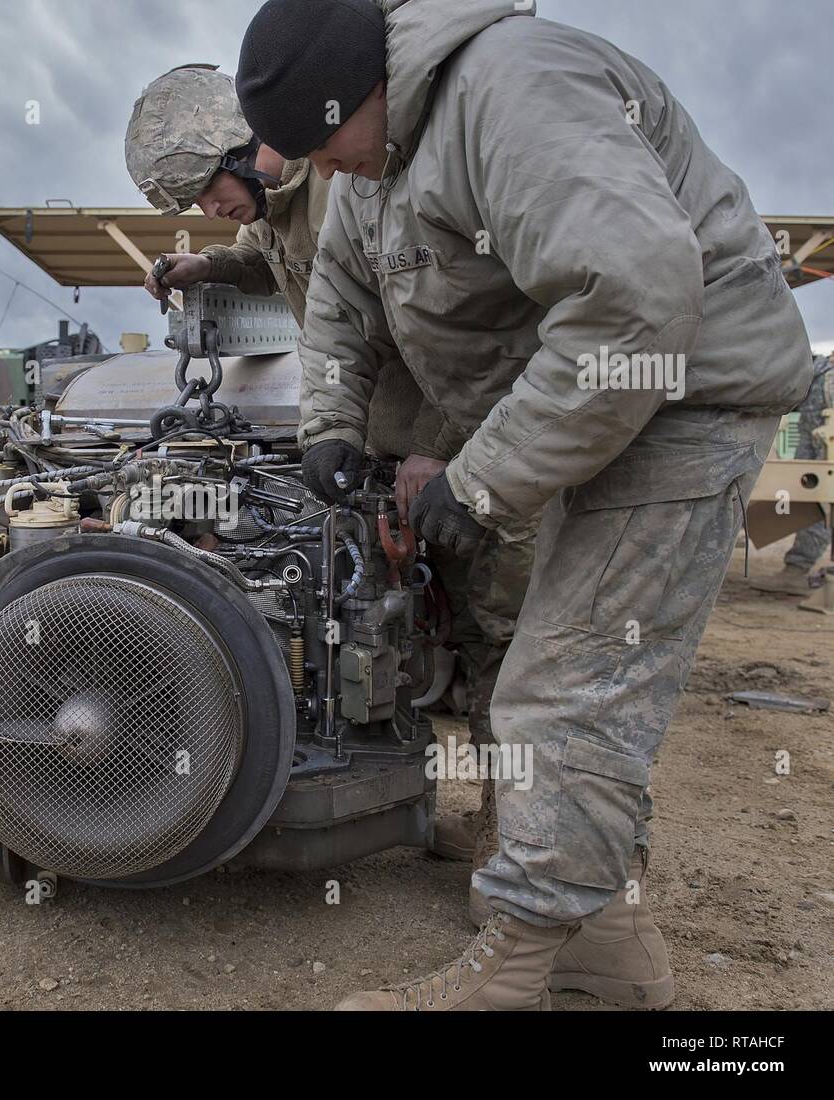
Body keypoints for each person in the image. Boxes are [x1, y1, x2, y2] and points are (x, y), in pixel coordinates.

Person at [236, 0, 812, 1009]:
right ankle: (606, 940)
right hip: (593, 414)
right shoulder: (375, 169)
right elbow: (340, 305)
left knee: (565, 684)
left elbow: (633, 301)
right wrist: (329, 423)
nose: (324, 169)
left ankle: (513, 966)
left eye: (324, 144)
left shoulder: (511, 88)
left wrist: (483, 479)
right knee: (569, 673)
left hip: (682, 397)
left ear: (364, 91)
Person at [125, 64, 527, 867]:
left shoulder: (347, 181)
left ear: (243, 150)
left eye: (207, 192)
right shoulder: (280, 204)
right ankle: (486, 823)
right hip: (395, 448)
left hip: (470, 447)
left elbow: (470, 334)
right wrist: (208, 266)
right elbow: (266, 255)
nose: (208, 212)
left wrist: (439, 446)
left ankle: (523, 842)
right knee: (412, 625)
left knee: (505, 642)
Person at [750, 354, 833, 594]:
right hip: (815, 390)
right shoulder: (817, 370)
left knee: (821, 491)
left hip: (822, 394)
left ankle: (798, 568)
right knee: (806, 486)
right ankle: (797, 566)